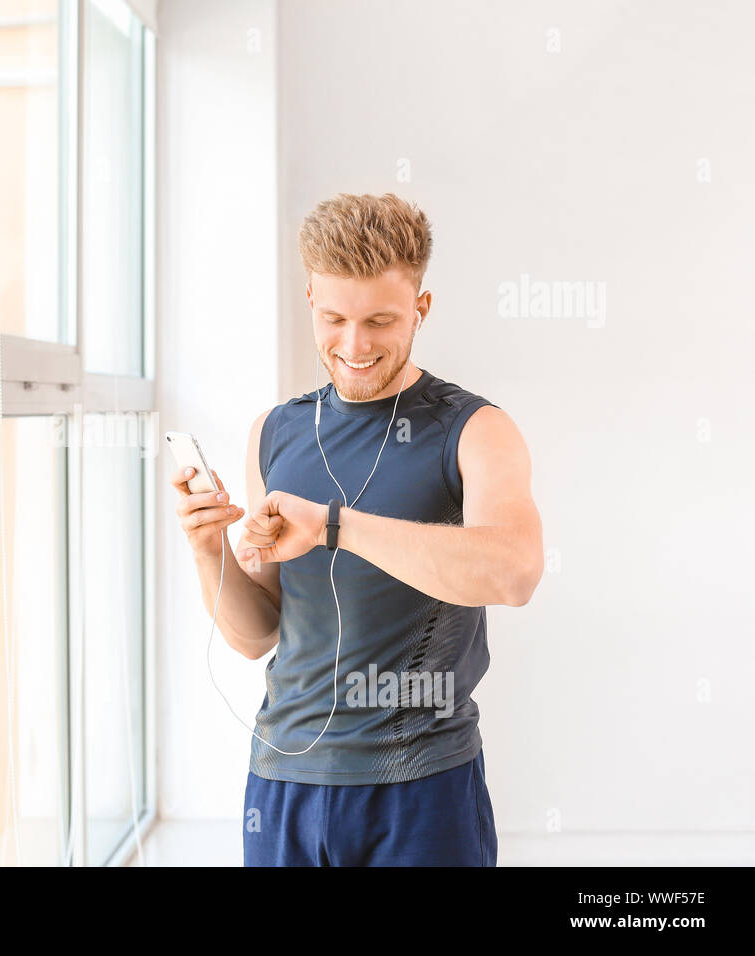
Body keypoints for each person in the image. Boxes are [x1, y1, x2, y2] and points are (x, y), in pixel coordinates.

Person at [170, 192, 543, 866]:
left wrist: (336, 527)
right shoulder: (275, 431)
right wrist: (209, 551)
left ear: (420, 309)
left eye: (380, 320)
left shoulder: (474, 430)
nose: (354, 345)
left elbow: (514, 573)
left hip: (421, 788)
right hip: (281, 786)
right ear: (309, 297)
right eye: (334, 317)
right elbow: (256, 636)